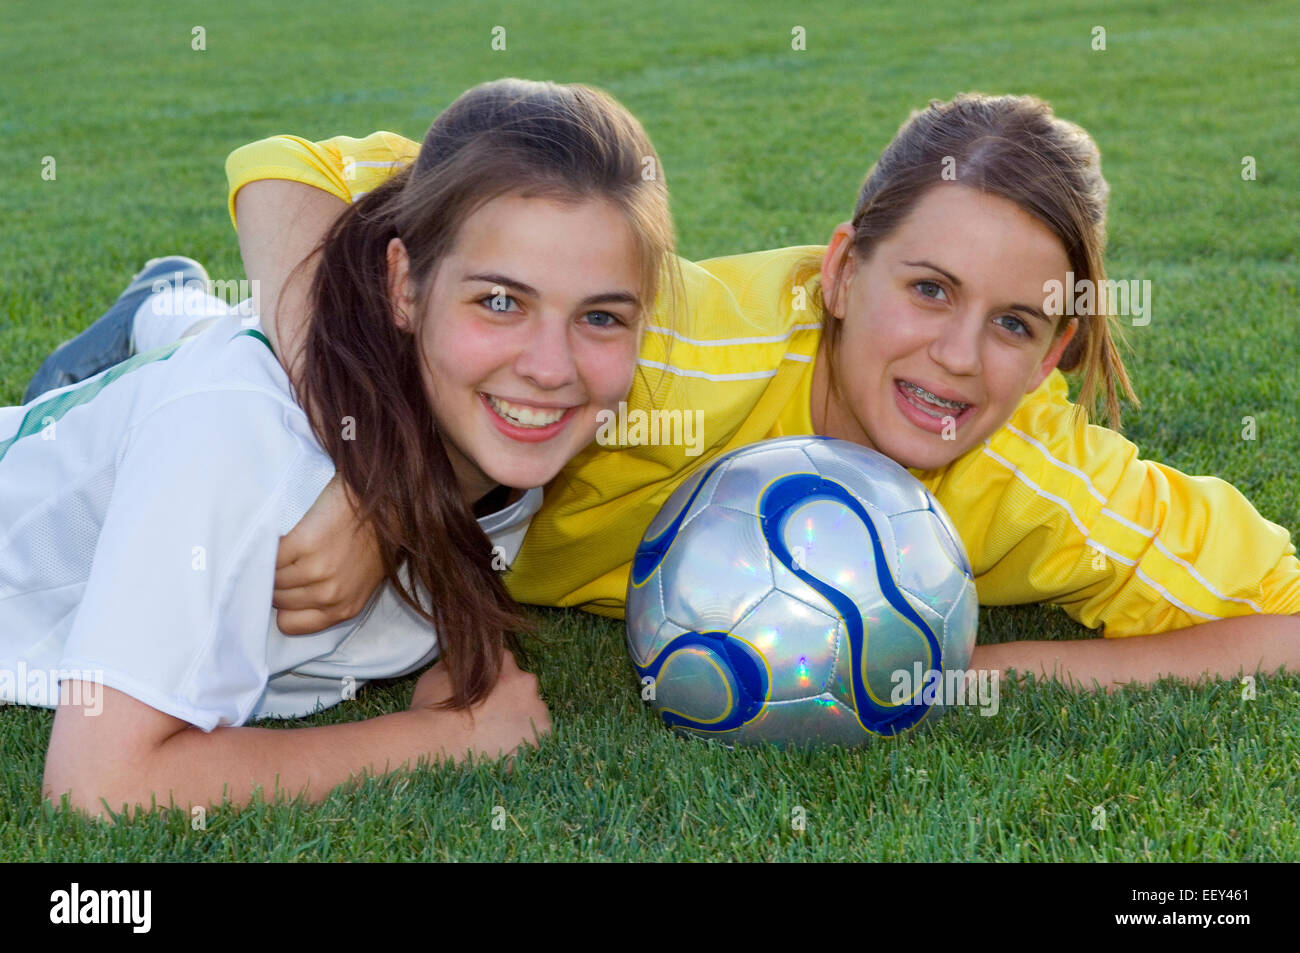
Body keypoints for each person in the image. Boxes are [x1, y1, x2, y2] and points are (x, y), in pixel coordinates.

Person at [2, 78, 675, 816]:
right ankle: (162, 317)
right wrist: (444, 737)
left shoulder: (506, 436)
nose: (552, 367)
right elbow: (99, 785)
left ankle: (163, 312)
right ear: (405, 287)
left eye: (602, 317)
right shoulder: (236, 436)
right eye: (500, 301)